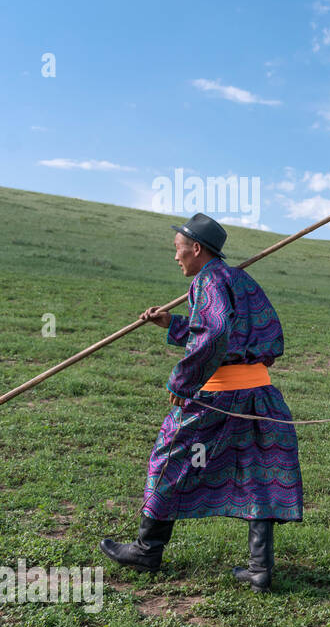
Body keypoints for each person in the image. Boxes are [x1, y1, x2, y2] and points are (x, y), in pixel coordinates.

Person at [99, 213, 303, 592]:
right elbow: (250, 332)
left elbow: (216, 333)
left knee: (170, 456)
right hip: (259, 394)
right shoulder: (237, 278)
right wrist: (173, 324)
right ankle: (260, 570)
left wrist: (184, 380)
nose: (175, 257)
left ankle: (147, 550)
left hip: (217, 395)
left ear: (196, 249)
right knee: (258, 470)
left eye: (178, 250)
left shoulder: (208, 280)